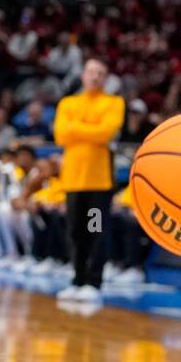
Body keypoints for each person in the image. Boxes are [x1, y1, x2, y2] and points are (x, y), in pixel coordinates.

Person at [55, 58, 124, 300]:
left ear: (106, 79)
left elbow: (106, 133)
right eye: (91, 72)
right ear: (82, 75)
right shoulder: (67, 103)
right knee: (75, 232)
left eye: (100, 73)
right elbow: (61, 135)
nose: (95, 77)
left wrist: (77, 127)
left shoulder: (114, 102)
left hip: (99, 181)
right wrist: (90, 130)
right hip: (73, 180)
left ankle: (94, 284)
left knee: (96, 232)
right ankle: (77, 280)